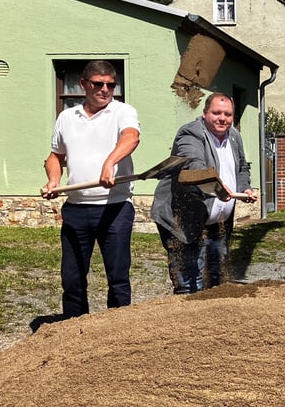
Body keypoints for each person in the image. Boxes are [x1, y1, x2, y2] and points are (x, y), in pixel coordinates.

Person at [41, 60, 141, 319]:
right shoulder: (66, 117)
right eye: (98, 84)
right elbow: (55, 156)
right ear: (84, 84)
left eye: (111, 84)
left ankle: (116, 333)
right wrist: (54, 180)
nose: (105, 89)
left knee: (118, 279)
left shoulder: (122, 111)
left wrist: (110, 162)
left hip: (115, 209)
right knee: (72, 280)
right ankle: (75, 332)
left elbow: (131, 137)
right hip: (76, 209)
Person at [151, 92, 256, 293]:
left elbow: (242, 166)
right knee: (190, 284)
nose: (222, 118)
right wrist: (217, 188)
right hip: (183, 219)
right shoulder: (190, 134)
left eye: (228, 114)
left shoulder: (233, 136)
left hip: (218, 224)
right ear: (205, 113)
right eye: (216, 113)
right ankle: (185, 323)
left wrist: (244, 187)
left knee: (215, 281)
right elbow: (194, 167)